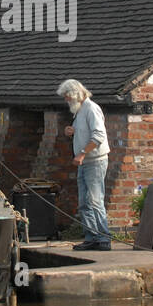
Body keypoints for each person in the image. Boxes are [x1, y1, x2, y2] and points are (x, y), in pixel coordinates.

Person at [58, 78, 111, 250]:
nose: (66, 100)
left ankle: (104, 239)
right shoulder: (79, 111)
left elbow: (98, 136)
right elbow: (84, 132)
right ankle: (91, 237)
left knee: (95, 200)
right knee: (84, 202)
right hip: (85, 162)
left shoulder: (91, 109)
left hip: (94, 161)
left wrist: (82, 153)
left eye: (67, 96)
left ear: (75, 95)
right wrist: (71, 131)